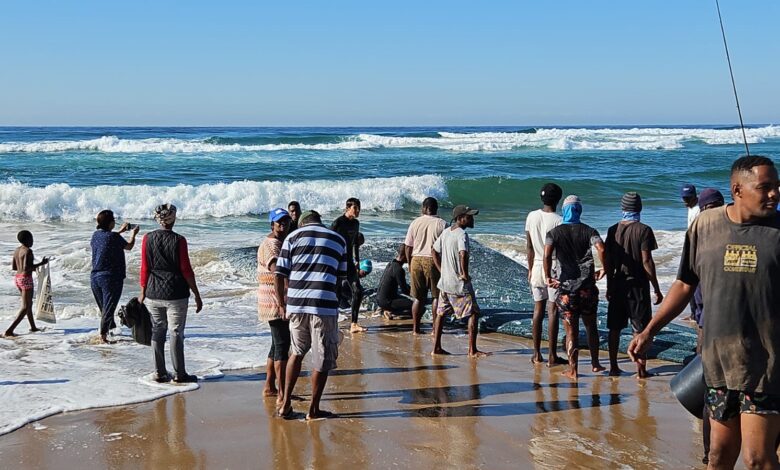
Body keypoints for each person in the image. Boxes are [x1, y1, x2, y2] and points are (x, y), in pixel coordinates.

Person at [629, 156, 780, 470]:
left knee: (758, 460)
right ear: (737, 190)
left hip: (767, 369)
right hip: (719, 366)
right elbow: (684, 285)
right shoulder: (705, 226)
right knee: (717, 457)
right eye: (764, 188)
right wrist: (649, 330)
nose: (774, 194)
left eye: (776, 187)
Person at [275, 210, 347, 420]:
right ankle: (313, 410)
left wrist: (282, 304)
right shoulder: (338, 239)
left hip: (296, 305)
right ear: (319, 222)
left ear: (303, 223)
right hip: (323, 306)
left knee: (296, 352)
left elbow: (279, 275)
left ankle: (285, 403)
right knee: (321, 359)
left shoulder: (291, 237)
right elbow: (340, 279)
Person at [543, 195, 607, 380]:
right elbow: (601, 248)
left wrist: (548, 276)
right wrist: (605, 269)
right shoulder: (589, 231)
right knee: (591, 326)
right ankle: (595, 364)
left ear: (564, 211)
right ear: (579, 211)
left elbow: (547, 254)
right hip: (587, 288)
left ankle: (574, 370)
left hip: (566, 290)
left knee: (571, 331)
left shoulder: (554, 233)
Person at [139, 204, 203, 384]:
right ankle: (179, 374)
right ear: (173, 219)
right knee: (175, 333)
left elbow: (145, 267)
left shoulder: (147, 238)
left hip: (153, 292)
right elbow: (186, 269)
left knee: (157, 331)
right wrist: (196, 294)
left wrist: (142, 292)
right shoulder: (179, 240)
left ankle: (159, 372)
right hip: (176, 293)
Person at [604, 192, 662, 378]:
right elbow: (647, 261)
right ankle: (640, 370)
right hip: (638, 286)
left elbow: (609, 262)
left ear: (622, 208)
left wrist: (609, 285)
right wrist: (656, 288)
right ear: (640, 208)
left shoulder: (613, 230)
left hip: (618, 284)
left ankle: (613, 367)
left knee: (614, 328)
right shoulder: (644, 230)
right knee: (640, 328)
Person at [690, 188, 725, 465]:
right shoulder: (703, 234)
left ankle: (710, 453)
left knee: (711, 394)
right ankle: (709, 453)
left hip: (708, 322)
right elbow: (688, 284)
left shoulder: (700, 231)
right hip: (709, 324)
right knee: (710, 394)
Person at [431, 205, 490, 358]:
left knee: (441, 314)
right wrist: (464, 274)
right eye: (469, 216)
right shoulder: (461, 234)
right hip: (457, 284)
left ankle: (436, 347)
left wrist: (441, 269)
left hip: (444, 283)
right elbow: (462, 254)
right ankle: (472, 350)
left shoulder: (446, 232)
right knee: (474, 313)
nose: (472, 219)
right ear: (460, 218)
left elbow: (433, 250)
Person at [525, 183, 566, 367]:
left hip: (536, 265)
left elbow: (529, 246)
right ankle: (551, 355)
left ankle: (536, 353)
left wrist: (529, 267)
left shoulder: (531, 216)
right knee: (553, 310)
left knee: (537, 309)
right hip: (554, 266)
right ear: (558, 200)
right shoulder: (559, 220)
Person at [257, 208, 292, 404]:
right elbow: (278, 272)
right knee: (282, 346)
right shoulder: (270, 245)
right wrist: (283, 303)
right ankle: (281, 394)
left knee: (275, 346)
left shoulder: (279, 242)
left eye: (285, 222)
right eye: (279, 222)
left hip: (273, 300)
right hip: (274, 302)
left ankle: (269, 386)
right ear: (272, 224)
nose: (283, 225)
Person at [90, 210, 140, 343]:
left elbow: (108, 240)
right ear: (111, 223)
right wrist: (133, 234)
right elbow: (128, 246)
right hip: (111, 277)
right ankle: (103, 336)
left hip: (95, 277)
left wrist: (121, 231)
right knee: (109, 307)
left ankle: (109, 331)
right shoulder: (113, 237)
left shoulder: (95, 235)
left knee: (104, 308)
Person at [404, 197, 446, 334]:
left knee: (418, 298)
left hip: (416, 259)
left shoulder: (415, 222)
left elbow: (408, 246)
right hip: (433, 260)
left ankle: (416, 329)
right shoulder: (442, 224)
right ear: (435, 208)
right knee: (436, 296)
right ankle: (435, 329)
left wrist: (410, 263)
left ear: (424, 208)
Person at [331, 198, 367, 333]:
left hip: (350, 262)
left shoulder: (356, 224)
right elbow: (328, 240)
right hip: (338, 261)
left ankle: (354, 324)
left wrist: (357, 260)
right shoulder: (338, 223)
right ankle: (332, 322)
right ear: (347, 208)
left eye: (359, 208)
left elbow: (355, 243)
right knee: (336, 292)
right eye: (355, 208)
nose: (358, 211)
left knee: (358, 290)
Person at [4, 231, 48, 337]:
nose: (32, 241)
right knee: (25, 306)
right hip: (26, 279)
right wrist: (42, 264)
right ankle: (9, 331)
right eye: (31, 239)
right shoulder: (28, 251)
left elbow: (15, 267)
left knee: (28, 304)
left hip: (18, 279)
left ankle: (33, 327)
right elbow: (26, 268)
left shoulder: (17, 250)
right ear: (27, 240)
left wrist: (33, 268)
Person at [376, 244, 413, 319]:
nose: (411, 257)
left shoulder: (391, 264)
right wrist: (417, 294)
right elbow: (404, 290)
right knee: (416, 306)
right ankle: (391, 312)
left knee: (405, 300)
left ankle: (387, 309)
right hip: (387, 301)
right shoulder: (399, 269)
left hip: (379, 298)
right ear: (405, 255)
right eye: (410, 255)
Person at [681, 183, 700, 321]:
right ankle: (693, 312)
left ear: (694, 196)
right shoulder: (691, 207)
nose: (685, 201)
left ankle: (696, 313)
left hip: (696, 248)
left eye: (688, 198)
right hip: (691, 246)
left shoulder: (698, 210)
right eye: (684, 198)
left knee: (692, 280)